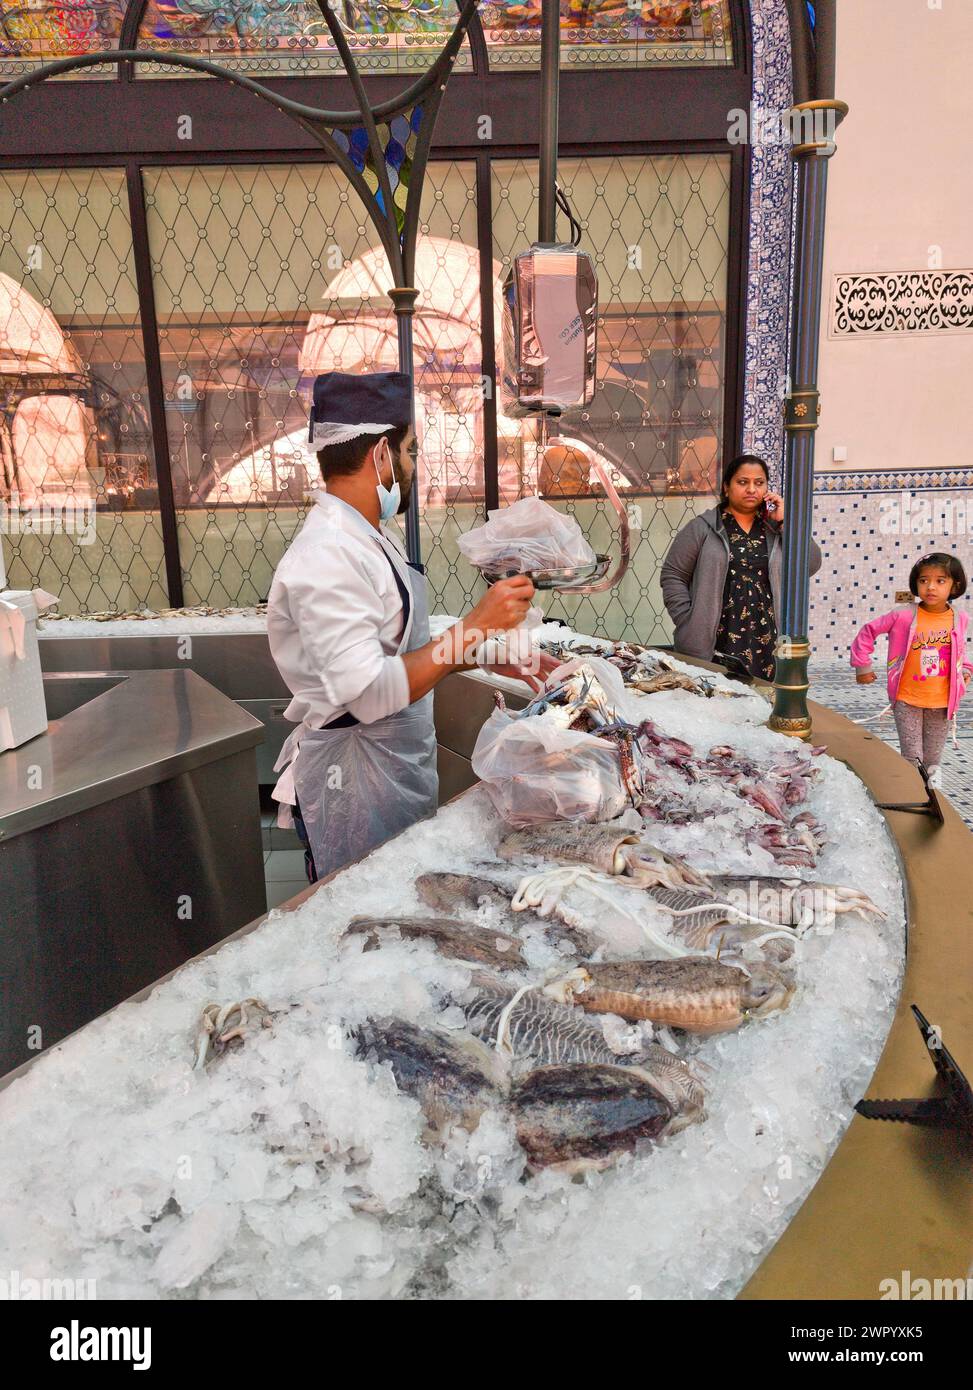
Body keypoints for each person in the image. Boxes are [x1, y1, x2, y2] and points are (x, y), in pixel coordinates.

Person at [268, 370, 554, 884]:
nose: (413, 465)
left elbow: (405, 654)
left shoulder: (369, 535)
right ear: (380, 453)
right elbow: (370, 694)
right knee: (363, 923)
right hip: (355, 782)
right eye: (410, 451)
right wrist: (474, 625)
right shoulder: (329, 554)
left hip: (392, 768)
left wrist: (493, 653)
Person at [659, 454, 822, 679]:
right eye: (743, 482)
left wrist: (786, 523)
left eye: (759, 483)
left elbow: (810, 565)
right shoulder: (703, 528)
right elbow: (673, 574)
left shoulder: (774, 529)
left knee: (763, 706)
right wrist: (687, 619)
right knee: (716, 703)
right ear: (727, 487)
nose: (751, 489)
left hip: (767, 640)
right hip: (715, 640)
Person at [850, 552, 972, 789]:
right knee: (912, 756)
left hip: (942, 702)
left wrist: (965, 670)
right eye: (924, 580)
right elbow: (868, 631)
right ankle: (912, 793)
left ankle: (932, 797)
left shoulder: (960, 618)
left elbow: (960, 651)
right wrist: (862, 665)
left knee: (933, 758)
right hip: (908, 699)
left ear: (955, 585)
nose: (930, 587)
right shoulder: (904, 615)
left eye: (940, 580)